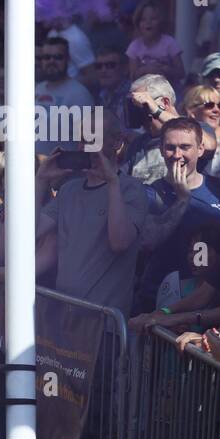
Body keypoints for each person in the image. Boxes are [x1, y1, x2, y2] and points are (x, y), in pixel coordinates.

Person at [36, 117, 150, 314]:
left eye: (92, 138)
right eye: (82, 139)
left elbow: (119, 242)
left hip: (104, 322)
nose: (84, 146)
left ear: (117, 143)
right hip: (64, 314)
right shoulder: (69, 189)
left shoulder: (132, 189)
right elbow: (28, 232)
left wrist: (112, 182)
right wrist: (40, 180)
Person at [134, 117, 220, 314]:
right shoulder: (149, 193)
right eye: (170, 147)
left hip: (207, 303)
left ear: (200, 149)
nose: (177, 155)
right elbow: (147, 242)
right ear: (161, 150)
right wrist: (182, 199)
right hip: (158, 302)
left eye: (185, 147)